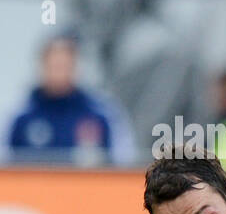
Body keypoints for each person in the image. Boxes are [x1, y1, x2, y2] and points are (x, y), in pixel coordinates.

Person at [4, 34, 136, 166]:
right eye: (54, 66)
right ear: (42, 66)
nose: (59, 72)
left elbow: (124, 162)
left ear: (75, 67)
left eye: (64, 66)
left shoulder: (101, 114)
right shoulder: (20, 117)